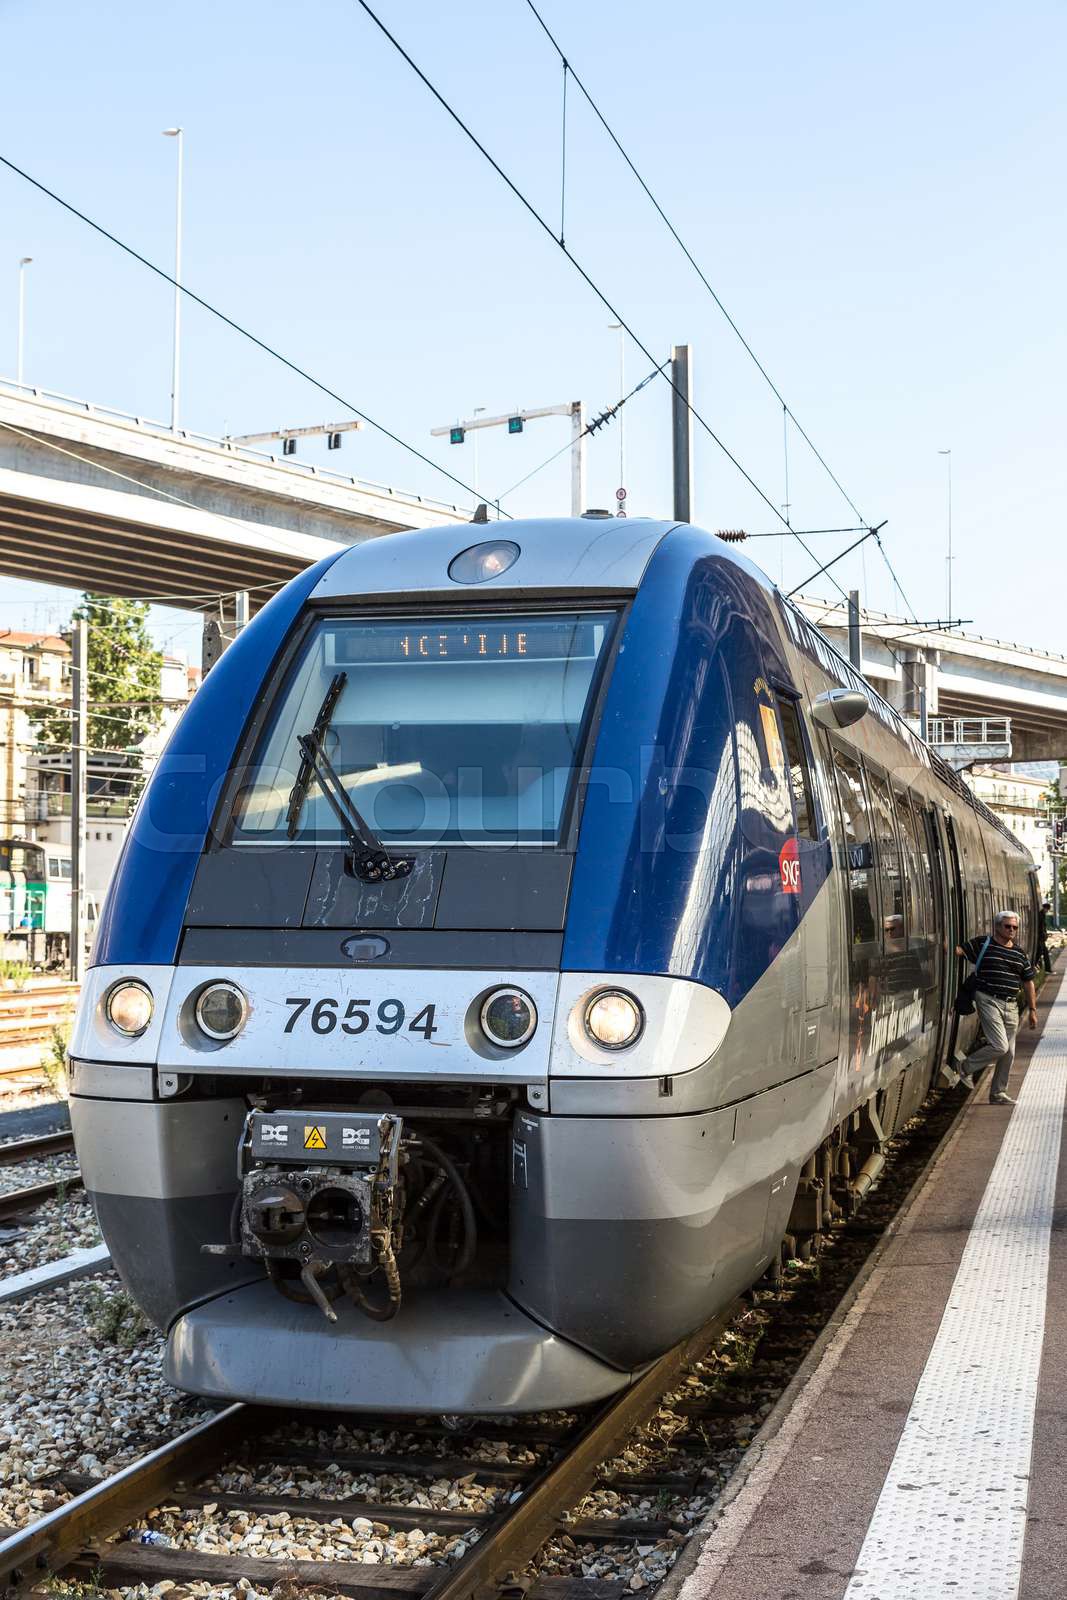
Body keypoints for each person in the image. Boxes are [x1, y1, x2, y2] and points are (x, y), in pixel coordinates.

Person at [955, 910, 1038, 1105]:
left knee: (1008, 1052)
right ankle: (965, 1067)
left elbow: (1028, 982)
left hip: (1011, 1005)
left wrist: (1033, 1010)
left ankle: (998, 1093)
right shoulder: (983, 944)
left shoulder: (1019, 953)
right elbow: (958, 950)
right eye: (1007, 926)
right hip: (988, 999)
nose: (1011, 930)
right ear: (997, 926)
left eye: (1015, 927)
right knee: (1000, 1045)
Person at [1037, 900, 1053, 974]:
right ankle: (1047, 969)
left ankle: (1047, 969)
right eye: (1047, 909)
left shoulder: (1041, 914)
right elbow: (1041, 927)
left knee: (1043, 953)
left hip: (1041, 938)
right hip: (1040, 938)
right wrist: (1044, 935)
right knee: (1042, 953)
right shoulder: (1040, 915)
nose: (1047, 911)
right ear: (1045, 908)